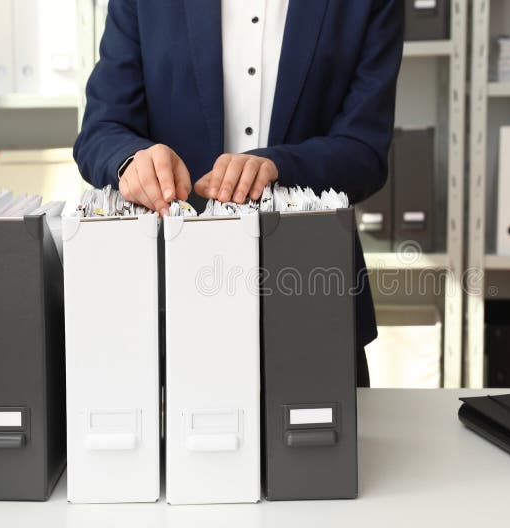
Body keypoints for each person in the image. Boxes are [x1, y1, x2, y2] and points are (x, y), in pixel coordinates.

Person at [74, 0, 404, 387]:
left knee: (321, 443)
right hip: (172, 304)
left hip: (312, 295)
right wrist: (132, 160)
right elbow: (101, 129)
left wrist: (280, 165)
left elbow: (365, 150)